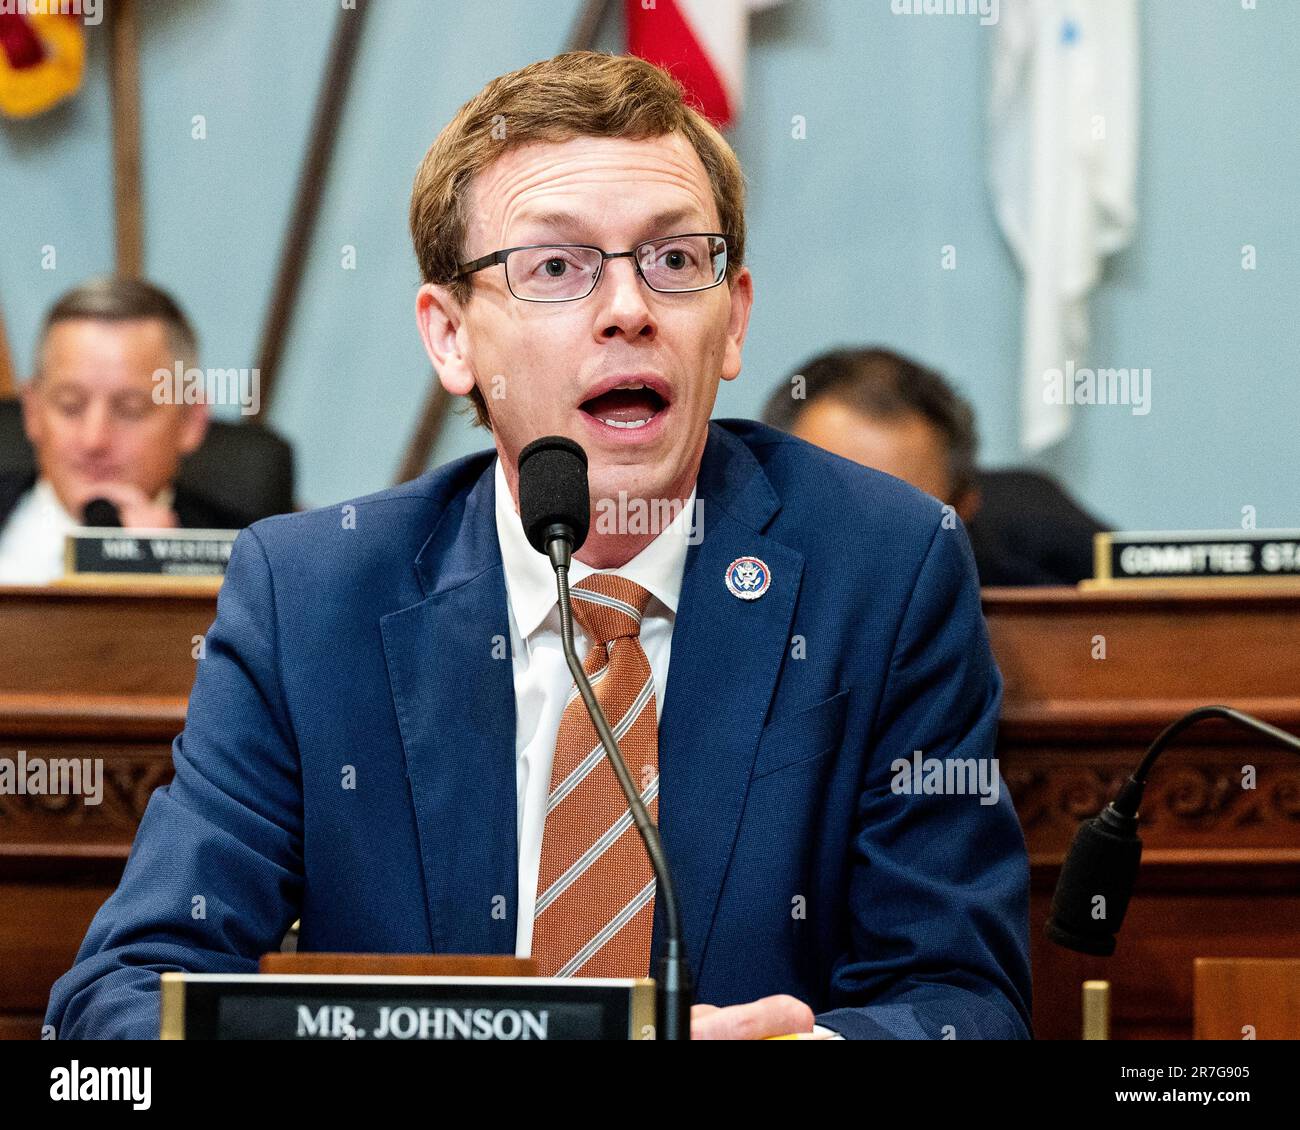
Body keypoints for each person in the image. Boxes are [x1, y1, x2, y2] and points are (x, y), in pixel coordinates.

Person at [46, 52, 1031, 1040]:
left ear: (730, 320)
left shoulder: (885, 570)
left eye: (674, 260)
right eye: (556, 267)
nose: (628, 308)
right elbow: (127, 990)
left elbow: (962, 1000)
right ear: (450, 337)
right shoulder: (310, 599)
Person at [763, 347, 1105, 585]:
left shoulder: (1043, 564)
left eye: (897, 518)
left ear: (964, 509)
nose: (859, 550)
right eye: (829, 509)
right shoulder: (720, 567)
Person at [0, 277, 244, 585]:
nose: (94, 439)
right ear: (33, 412)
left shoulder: (248, 566)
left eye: (131, 410)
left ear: (190, 422)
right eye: (70, 406)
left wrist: (167, 574)